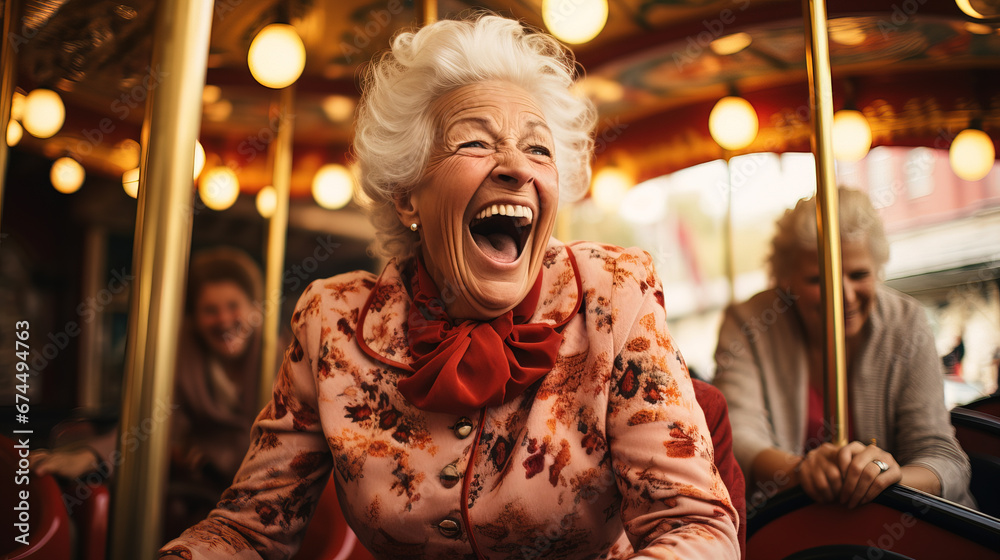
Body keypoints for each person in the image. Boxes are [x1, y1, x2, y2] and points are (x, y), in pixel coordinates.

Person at [159, 14, 739, 559]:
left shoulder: (614, 294)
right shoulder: (331, 320)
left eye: (538, 148)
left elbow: (696, 528)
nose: (518, 166)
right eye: (475, 141)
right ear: (407, 194)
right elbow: (249, 527)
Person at [713, 187, 975, 510]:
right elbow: (737, 439)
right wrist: (802, 472)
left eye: (859, 274)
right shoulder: (749, 323)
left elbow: (943, 458)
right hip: (790, 531)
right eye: (819, 279)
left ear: (877, 270)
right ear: (785, 279)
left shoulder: (906, 321)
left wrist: (887, 477)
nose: (844, 296)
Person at [30, 247, 265, 538]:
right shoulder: (187, 353)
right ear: (194, 316)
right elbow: (156, 421)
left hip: (268, 496)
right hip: (207, 495)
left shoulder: (280, 355)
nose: (224, 320)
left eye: (233, 306)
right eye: (210, 310)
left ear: (255, 308)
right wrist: (93, 456)